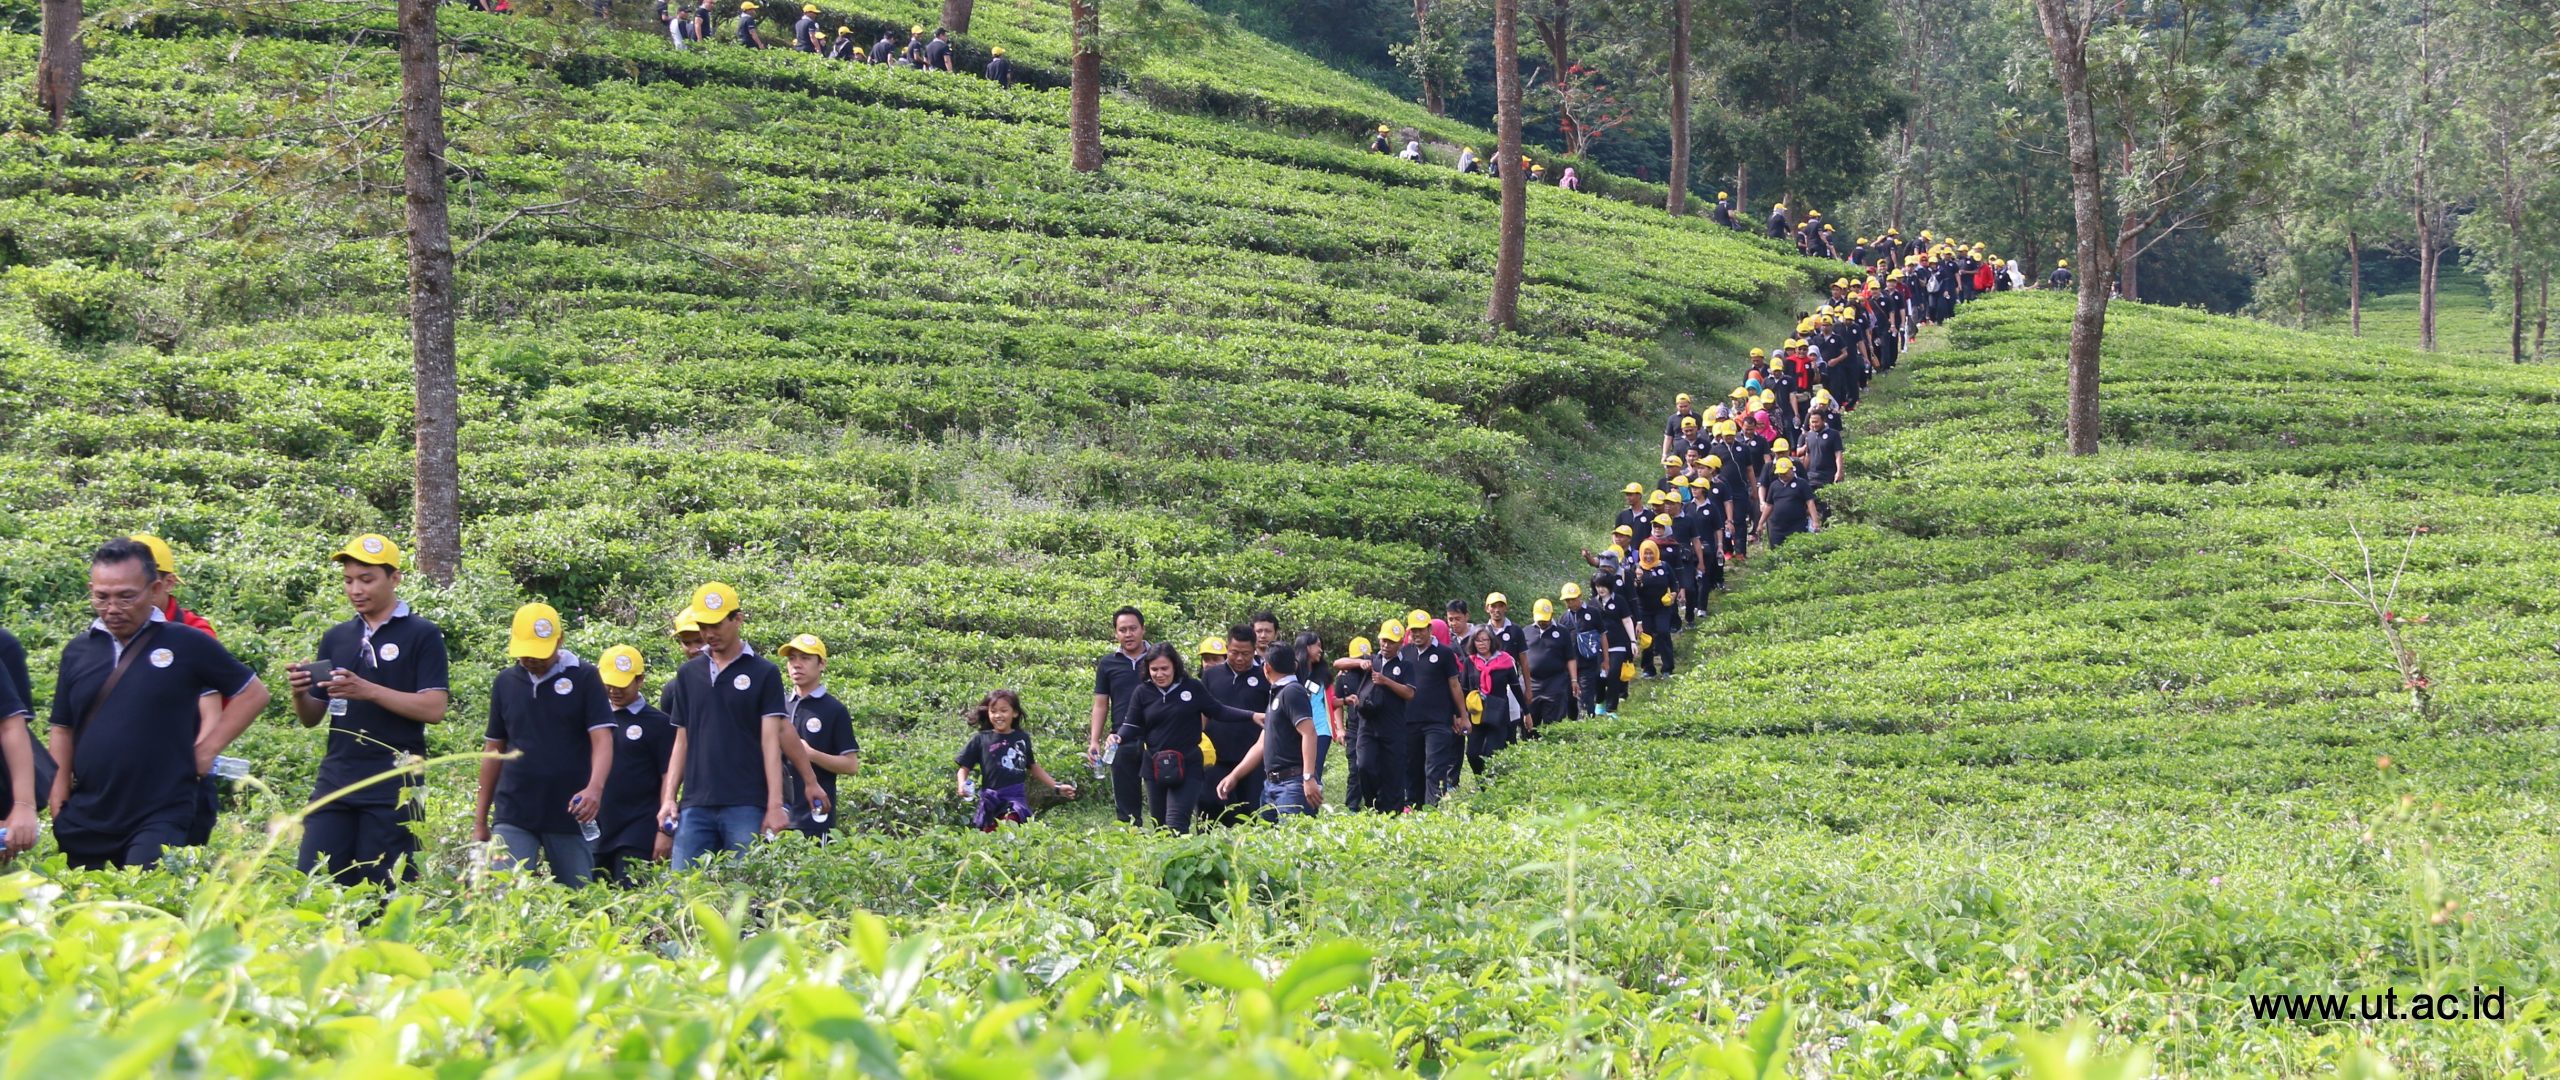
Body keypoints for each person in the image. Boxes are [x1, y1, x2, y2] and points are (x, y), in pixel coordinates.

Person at [48, 538, 270, 870]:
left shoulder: (187, 641)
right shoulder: (79, 651)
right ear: (90, 589)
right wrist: (58, 802)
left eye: (126, 596)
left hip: (161, 809)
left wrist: (206, 751)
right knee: (90, 912)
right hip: (89, 813)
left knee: (146, 900)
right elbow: (62, 728)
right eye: (101, 597)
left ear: (153, 589)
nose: (112, 608)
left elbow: (253, 693)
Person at [286, 533, 450, 887]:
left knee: (384, 888)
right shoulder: (336, 637)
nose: (355, 590)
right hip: (336, 779)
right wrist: (301, 693)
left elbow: (434, 708)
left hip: (396, 781)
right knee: (315, 880)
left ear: (394, 579)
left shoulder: (423, 634)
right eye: (348, 581)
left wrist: (369, 690)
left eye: (366, 579)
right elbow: (313, 716)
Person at [657, 582, 810, 870]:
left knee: (746, 892)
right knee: (683, 892)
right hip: (695, 803)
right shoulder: (688, 675)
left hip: (746, 802)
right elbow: (682, 740)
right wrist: (669, 799)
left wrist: (775, 805)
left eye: (716, 625)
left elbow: (771, 741)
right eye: (703, 625)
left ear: (737, 619)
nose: (709, 634)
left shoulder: (763, 672)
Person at [474, 603, 612, 886]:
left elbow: (602, 739)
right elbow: (493, 752)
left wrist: (594, 789)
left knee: (578, 894)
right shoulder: (505, 683)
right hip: (514, 808)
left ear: (559, 641)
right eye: (525, 652)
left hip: (570, 809)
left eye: (539, 652)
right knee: (503, 894)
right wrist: (480, 820)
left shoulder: (584, 677)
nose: (531, 660)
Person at [594, 645, 674, 886]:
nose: (614, 690)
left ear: (639, 680)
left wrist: (665, 830)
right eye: (609, 684)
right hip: (597, 828)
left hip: (638, 829)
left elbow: (668, 777)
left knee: (630, 899)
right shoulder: (593, 719)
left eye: (622, 684)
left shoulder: (659, 724)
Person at [1215, 644, 1320, 817]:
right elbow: (1262, 744)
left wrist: (1308, 777)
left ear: (1267, 667)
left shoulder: (1292, 691)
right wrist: (1234, 776)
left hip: (1293, 784)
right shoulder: (1277, 694)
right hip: (1272, 785)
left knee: (1293, 839)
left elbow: (1309, 733)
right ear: (1294, 665)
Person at [779, 634, 859, 839]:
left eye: (805, 658)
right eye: (792, 659)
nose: (796, 665)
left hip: (815, 816)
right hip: (777, 815)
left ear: (821, 664)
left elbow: (850, 766)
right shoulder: (778, 705)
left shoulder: (833, 710)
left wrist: (810, 754)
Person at [957, 690, 1075, 829]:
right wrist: (961, 785)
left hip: (1014, 798)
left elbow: (1033, 767)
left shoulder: (1022, 738)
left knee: (1010, 824)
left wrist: (1057, 787)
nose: (998, 715)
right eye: (993, 711)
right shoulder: (980, 739)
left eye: (1003, 710)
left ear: (1015, 713)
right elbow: (963, 769)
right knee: (991, 840)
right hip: (991, 800)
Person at [1127, 643, 1212, 832]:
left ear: (1175, 666)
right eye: (1154, 669)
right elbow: (1131, 725)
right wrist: (1116, 738)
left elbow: (1219, 710)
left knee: (1176, 824)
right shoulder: (1142, 692)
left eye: (1164, 668)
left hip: (1188, 763)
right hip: (1155, 765)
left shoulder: (1192, 687)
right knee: (1160, 827)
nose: (1159, 674)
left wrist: (1252, 716)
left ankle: (1184, 861)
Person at [1086, 606, 1150, 825]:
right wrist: (1094, 740)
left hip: (1157, 736)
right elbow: (1101, 704)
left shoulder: (1158, 658)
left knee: (1162, 796)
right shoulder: (1108, 663)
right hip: (1121, 737)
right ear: (1116, 633)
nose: (1128, 634)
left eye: (1133, 628)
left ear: (1143, 629)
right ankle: (1131, 840)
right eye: (1122, 630)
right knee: (1126, 802)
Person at [1343, 619, 1414, 812]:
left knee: (1393, 771)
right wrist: (1359, 661)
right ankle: (1372, 803)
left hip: (1393, 726)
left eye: (1391, 642)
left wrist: (1386, 681)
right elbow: (1338, 663)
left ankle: (1393, 811)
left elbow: (1409, 693)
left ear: (1400, 643)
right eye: (1383, 640)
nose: (1386, 645)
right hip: (1367, 724)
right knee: (1364, 765)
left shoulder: (1406, 666)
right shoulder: (1371, 660)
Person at [1197, 628, 1266, 826]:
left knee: (1250, 811)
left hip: (1252, 757)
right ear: (1227, 648)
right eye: (1234, 652)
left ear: (1255, 650)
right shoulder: (1212, 675)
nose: (1239, 658)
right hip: (1216, 755)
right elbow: (1204, 711)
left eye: (1245, 653)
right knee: (1208, 803)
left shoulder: (1264, 676)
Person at [1407, 611, 1466, 806]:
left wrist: (1462, 715)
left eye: (1421, 630)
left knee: (1434, 767)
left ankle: (1433, 809)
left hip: (1438, 721)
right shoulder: (1405, 653)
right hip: (1410, 720)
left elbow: (1455, 685)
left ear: (1430, 630)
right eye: (1413, 630)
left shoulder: (1444, 653)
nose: (1417, 634)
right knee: (1413, 767)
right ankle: (1415, 808)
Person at [1460, 627, 1525, 783]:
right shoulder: (1470, 661)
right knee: (1473, 753)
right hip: (1477, 712)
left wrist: (1526, 712)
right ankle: (1482, 784)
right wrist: (1460, 715)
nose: (1481, 644)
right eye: (1478, 640)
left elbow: (1515, 687)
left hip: (1498, 711)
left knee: (1492, 752)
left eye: (1485, 640)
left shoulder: (1505, 661)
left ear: (1492, 641)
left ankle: (1497, 784)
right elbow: (1463, 689)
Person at [1329, 636, 1372, 810]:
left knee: (1371, 765)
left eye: (1364, 658)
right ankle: (1352, 805)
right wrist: (1340, 729)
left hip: (1372, 725)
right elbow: (1336, 703)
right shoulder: (1344, 677)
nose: (1362, 661)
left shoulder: (1375, 671)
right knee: (1355, 767)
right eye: (1358, 658)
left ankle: (1373, 802)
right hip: (1354, 727)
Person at [1584, 573, 1636, 716]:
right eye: (1598, 586)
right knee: (1598, 675)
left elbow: (1626, 620)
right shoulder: (1592, 603)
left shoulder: (1619, 601)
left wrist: (1632, 641)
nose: (1601, 589)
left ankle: (1612, 709)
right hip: (1598, 646)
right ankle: (1600, 701)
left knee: (1613, 674)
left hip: (1617, 643)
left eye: (1604, 586)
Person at [1521, 598, 1573, 738]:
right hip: (1532, 683)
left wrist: (1574, 680)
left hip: (1555, 682)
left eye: (1546, 619)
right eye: (1540, 619)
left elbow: (1570, 658)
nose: (1543, 622)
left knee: (1554, 724)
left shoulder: (1562, 632)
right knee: (1530, 724)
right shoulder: (1526, 632)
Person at [1760, 458, 1822, 548]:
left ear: (1792, 470)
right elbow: (1769, 505)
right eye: (1781, 473)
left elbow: (1810, 503)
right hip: (1777, 527)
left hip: (1796, 525)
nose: (1783, 475)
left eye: (1785, 473)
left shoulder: (1802, 483)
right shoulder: (1774, 485)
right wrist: (1761, 522)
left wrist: (1815, 521)